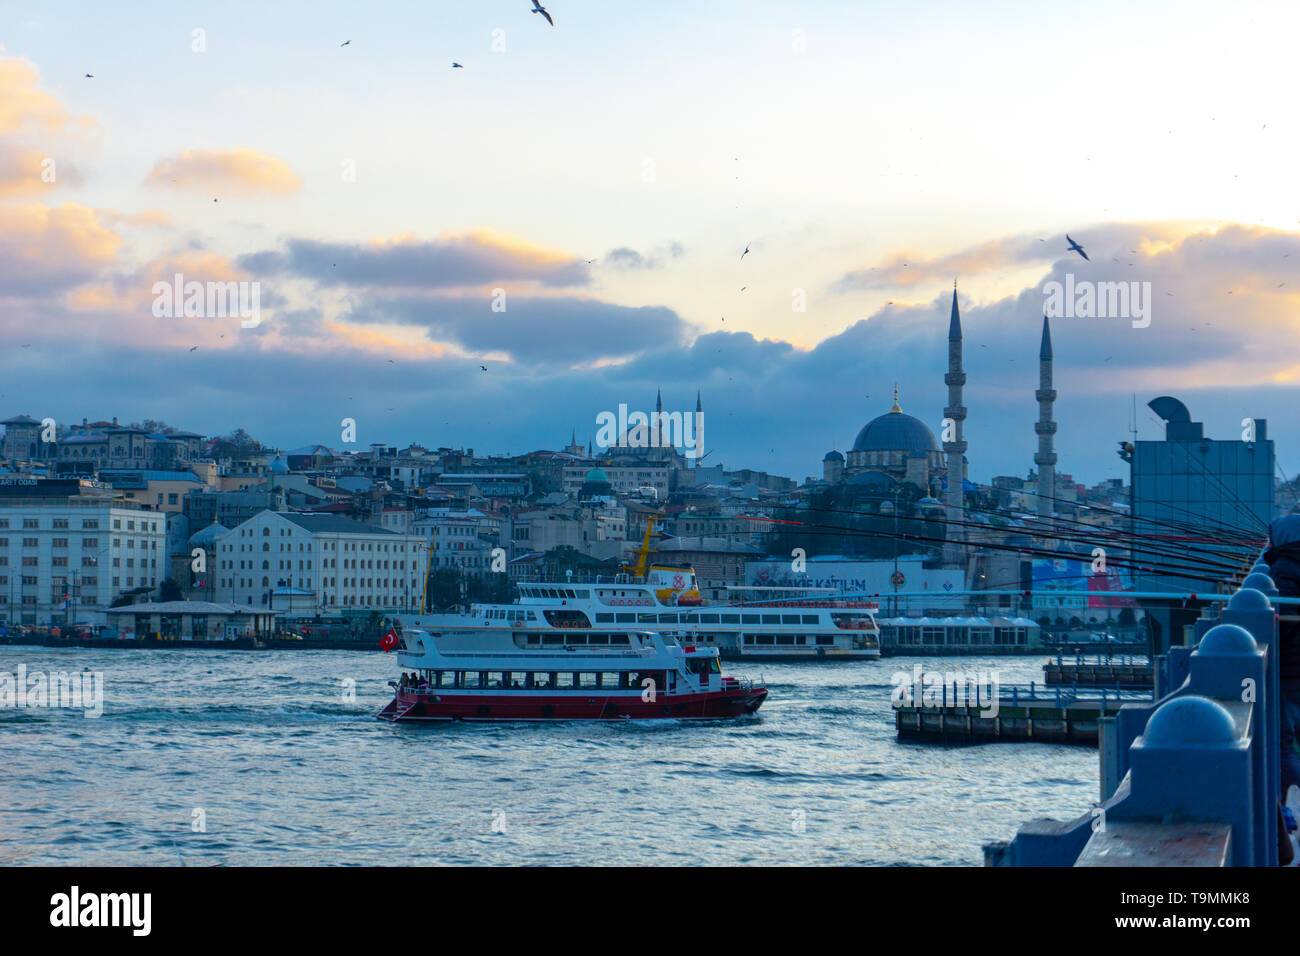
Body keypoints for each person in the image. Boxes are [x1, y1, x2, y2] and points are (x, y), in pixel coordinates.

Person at [1263, 515, 1300, 802]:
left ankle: (1287, 802)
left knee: (1283, 741)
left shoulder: (1285, 567)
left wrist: (1267, 644)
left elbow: (1283, 619)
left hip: (1289, 667)